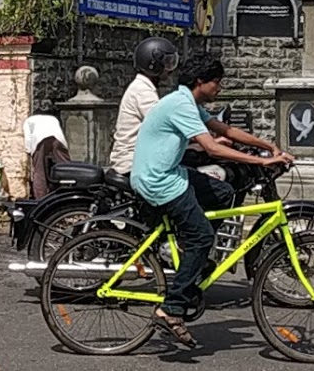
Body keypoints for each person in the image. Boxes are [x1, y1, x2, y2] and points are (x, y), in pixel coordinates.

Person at [130, 51, 290, 346]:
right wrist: (260, 162)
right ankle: (171, 309)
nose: (219, 88)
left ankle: (196, 258)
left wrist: (270, 146)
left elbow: (225, 130)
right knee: (202, 237)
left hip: (171, 172)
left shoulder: (188, 102)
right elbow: (213, 148)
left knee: (223, 193)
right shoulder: (180, 105)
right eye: (216, 82)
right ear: (200, 81)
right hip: (158, 180)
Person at [106, 36, 179, 176]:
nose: (170, 69)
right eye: (167, 63)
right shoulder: (142, 91)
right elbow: (164, 124)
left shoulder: (144, 87)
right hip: (131, 163)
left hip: (141, 159)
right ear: (154, 65)